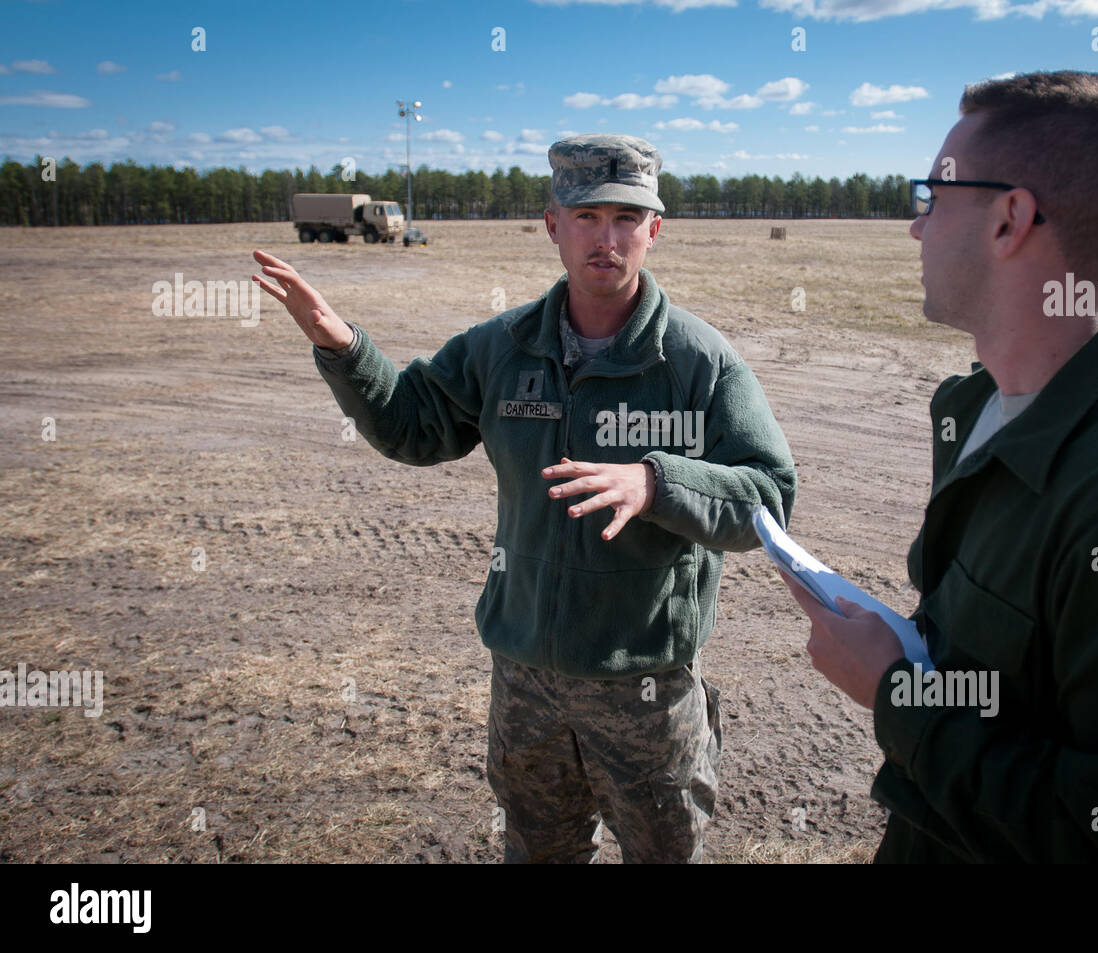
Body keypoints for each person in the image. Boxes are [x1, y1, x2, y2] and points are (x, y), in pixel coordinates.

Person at [779, 71, 1098, 862]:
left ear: (1011, 218)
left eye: (934, 195)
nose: (917, 226)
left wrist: (896, 694)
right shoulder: (984, 408)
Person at [253, 133, 796, 863]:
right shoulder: (502, 349)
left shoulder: (698, 364)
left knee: (664, 852)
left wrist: (657, 481)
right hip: (526, 684)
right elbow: (414, 425)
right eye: (587, 215)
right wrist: (345, 348)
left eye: (627, 218)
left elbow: (768, 498)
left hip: (643, 689)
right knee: (538, 850)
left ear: (654, 230)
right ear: (553, 224)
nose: (607, 238)